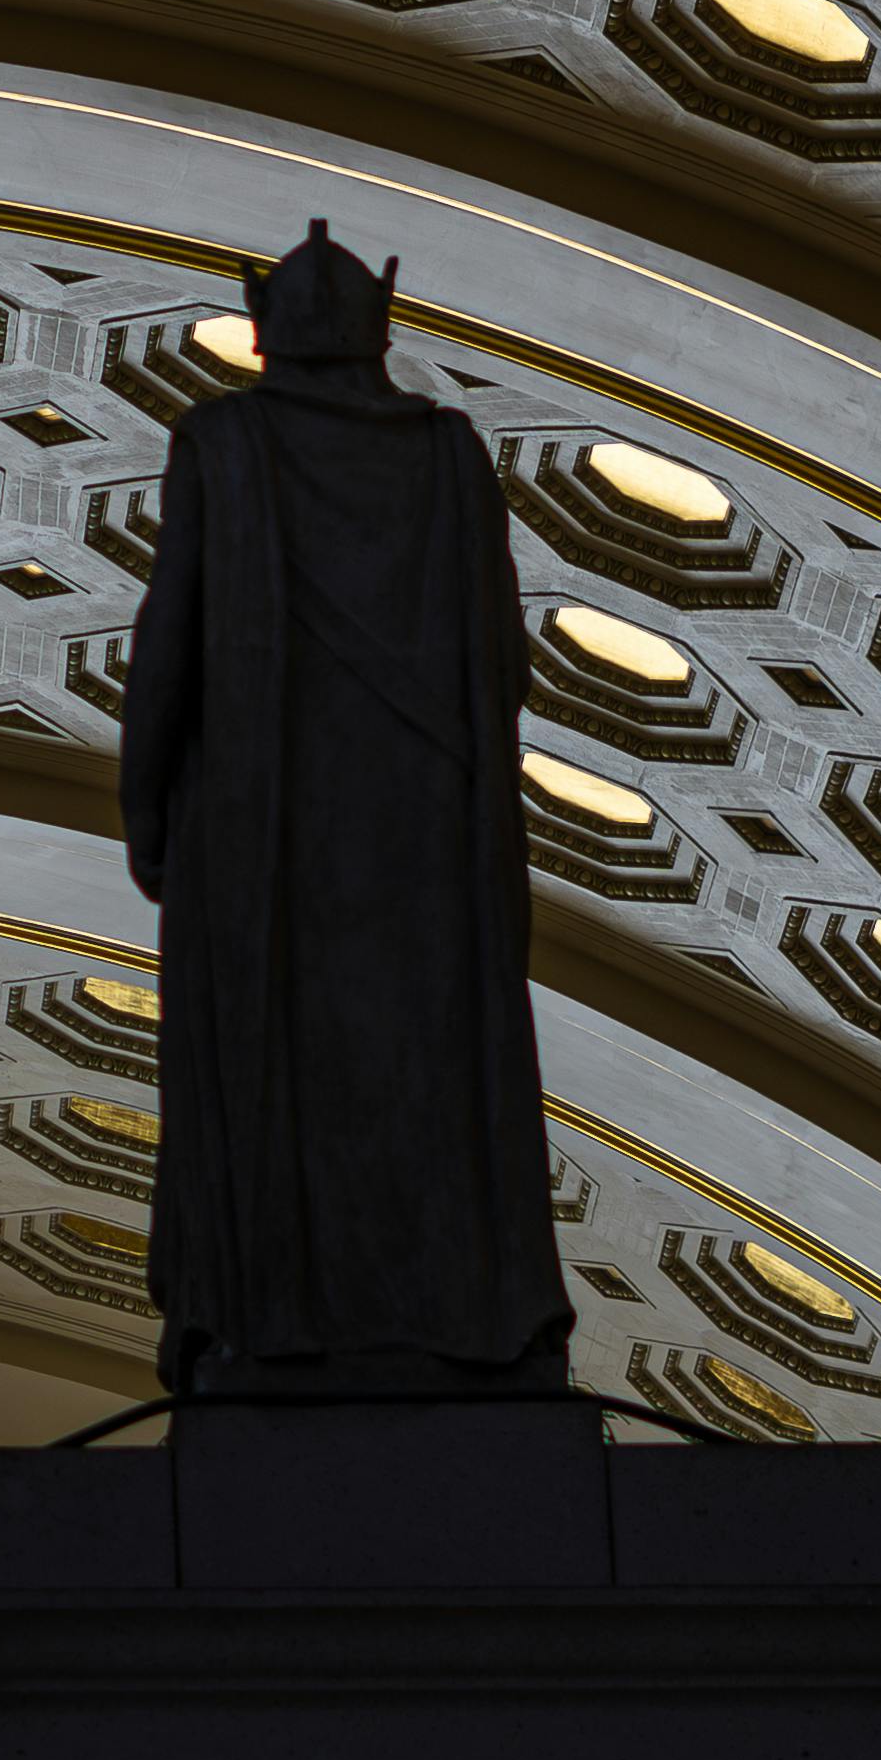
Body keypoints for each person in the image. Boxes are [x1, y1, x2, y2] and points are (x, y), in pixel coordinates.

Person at [114, 221, 570, 1394]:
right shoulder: (450, 451)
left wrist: (147, 808)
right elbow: (500, 659)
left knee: (268, 1049)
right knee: (430, 1051)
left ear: (264, 331)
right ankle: (468, 1314)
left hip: (259, 818)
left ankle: (263, 1317)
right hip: (425, 819)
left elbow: (169, 635)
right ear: (379, 326)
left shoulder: (222, 439)